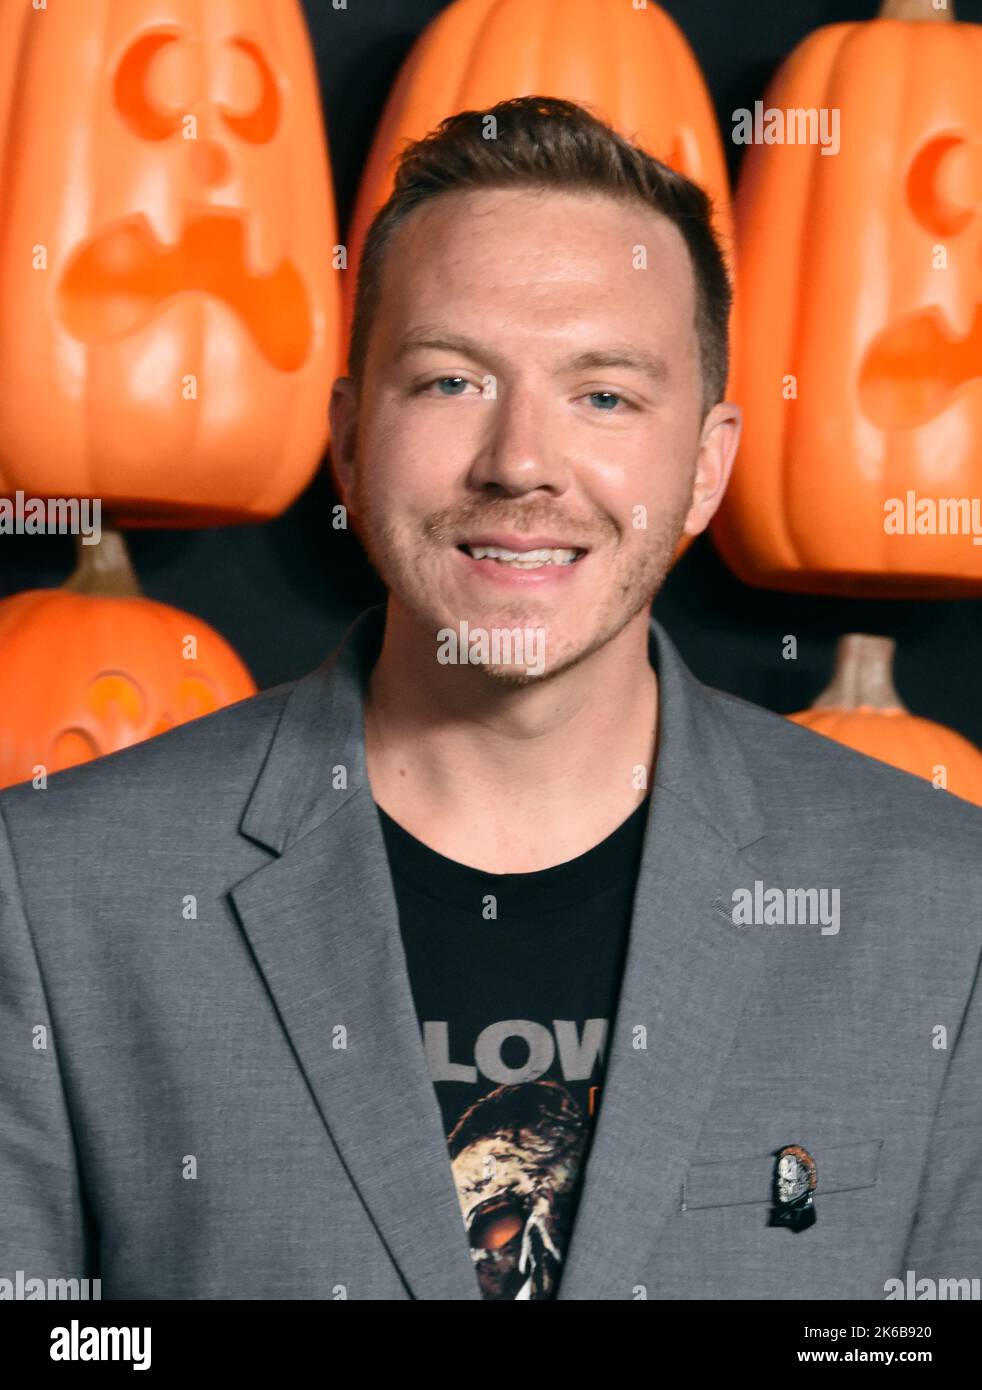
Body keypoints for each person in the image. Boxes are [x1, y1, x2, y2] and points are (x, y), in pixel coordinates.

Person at [1, 95, 979, 1303]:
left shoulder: (944, 910)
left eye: (606, 396)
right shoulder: (52, 892)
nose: (520, 461)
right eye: (452, 380)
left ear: (707, 467)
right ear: (352, 444)